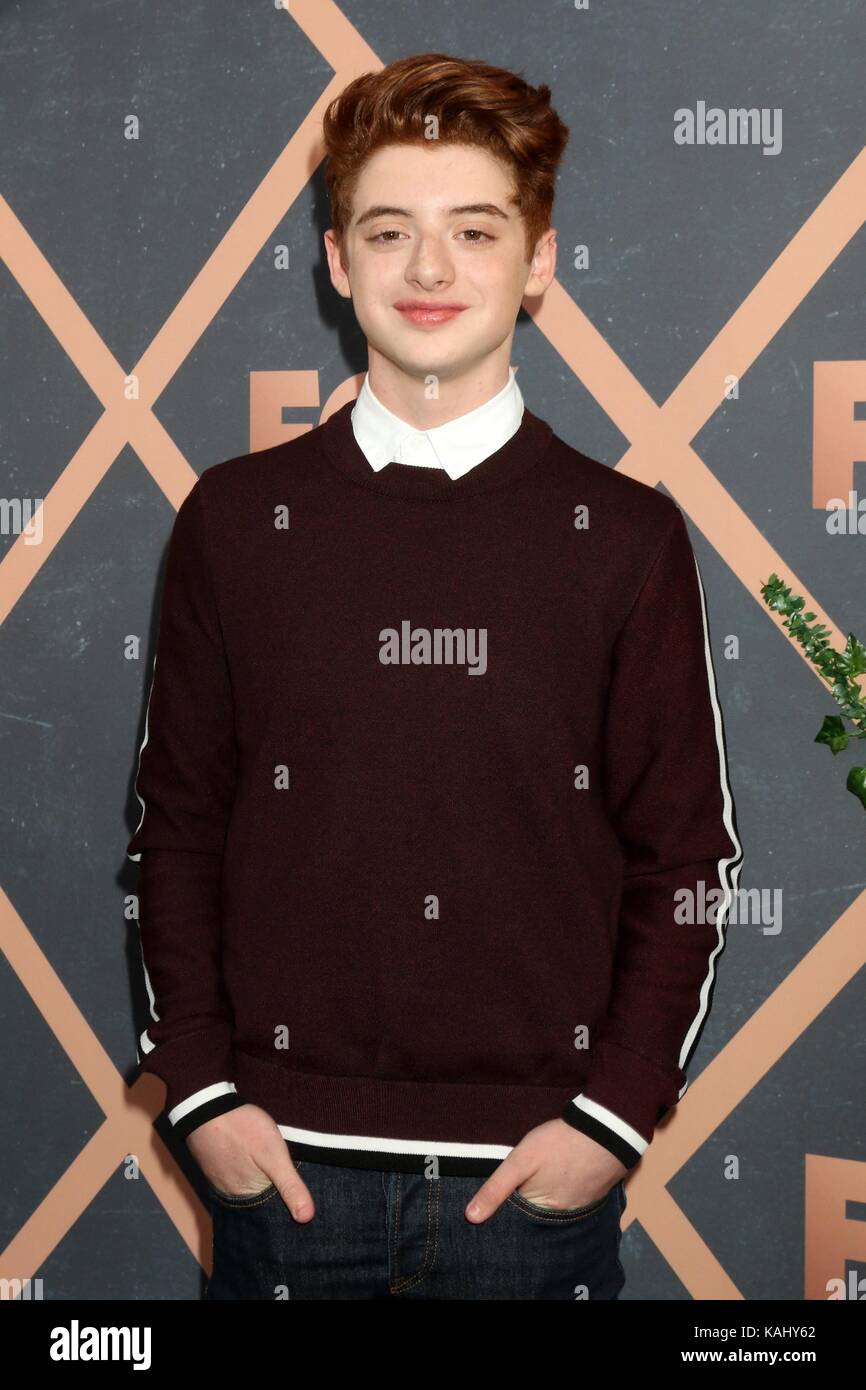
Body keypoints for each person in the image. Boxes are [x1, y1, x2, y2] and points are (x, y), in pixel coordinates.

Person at [126, 52, 743, 1300]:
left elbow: (683, 860)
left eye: (474, 230)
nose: (429, 270)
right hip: (283, 1175)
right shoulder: (235, 522)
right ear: (337, 262)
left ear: (539, 262)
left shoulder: (624, 536)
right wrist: (200, 1093)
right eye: (388, 231)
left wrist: (610, 1120)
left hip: (531, 1187)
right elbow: (174, 834)